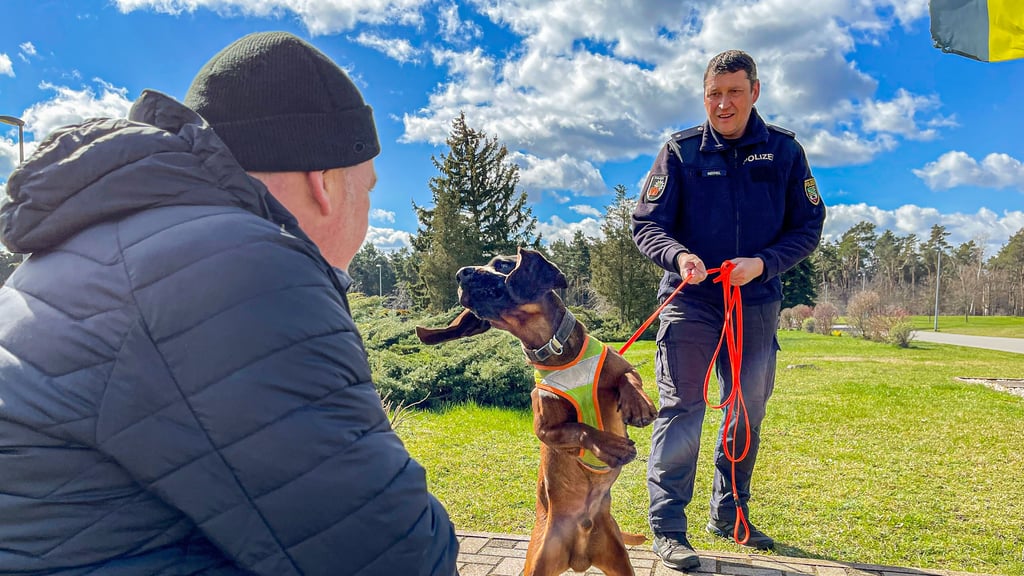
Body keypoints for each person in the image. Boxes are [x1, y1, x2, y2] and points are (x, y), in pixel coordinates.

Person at [0, 32, 459, 576]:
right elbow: (401, 557)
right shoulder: (245, 269)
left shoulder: (104, 245)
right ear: (325, 183)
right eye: (368, 190)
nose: (365, 215)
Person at [632, 50, 825, 571]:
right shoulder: (680, 151)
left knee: (747, 410)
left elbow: (808, 227)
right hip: (690, 302)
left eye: (734, 92)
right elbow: (646, 224)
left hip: (755, 304)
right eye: (714, 94)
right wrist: (680, 256)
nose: (723, 104)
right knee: (682, 410)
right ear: (704, 96)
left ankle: (730, 510)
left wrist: (763, 264)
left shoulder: (785, 152)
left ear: (754, 92)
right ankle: (669, 527)